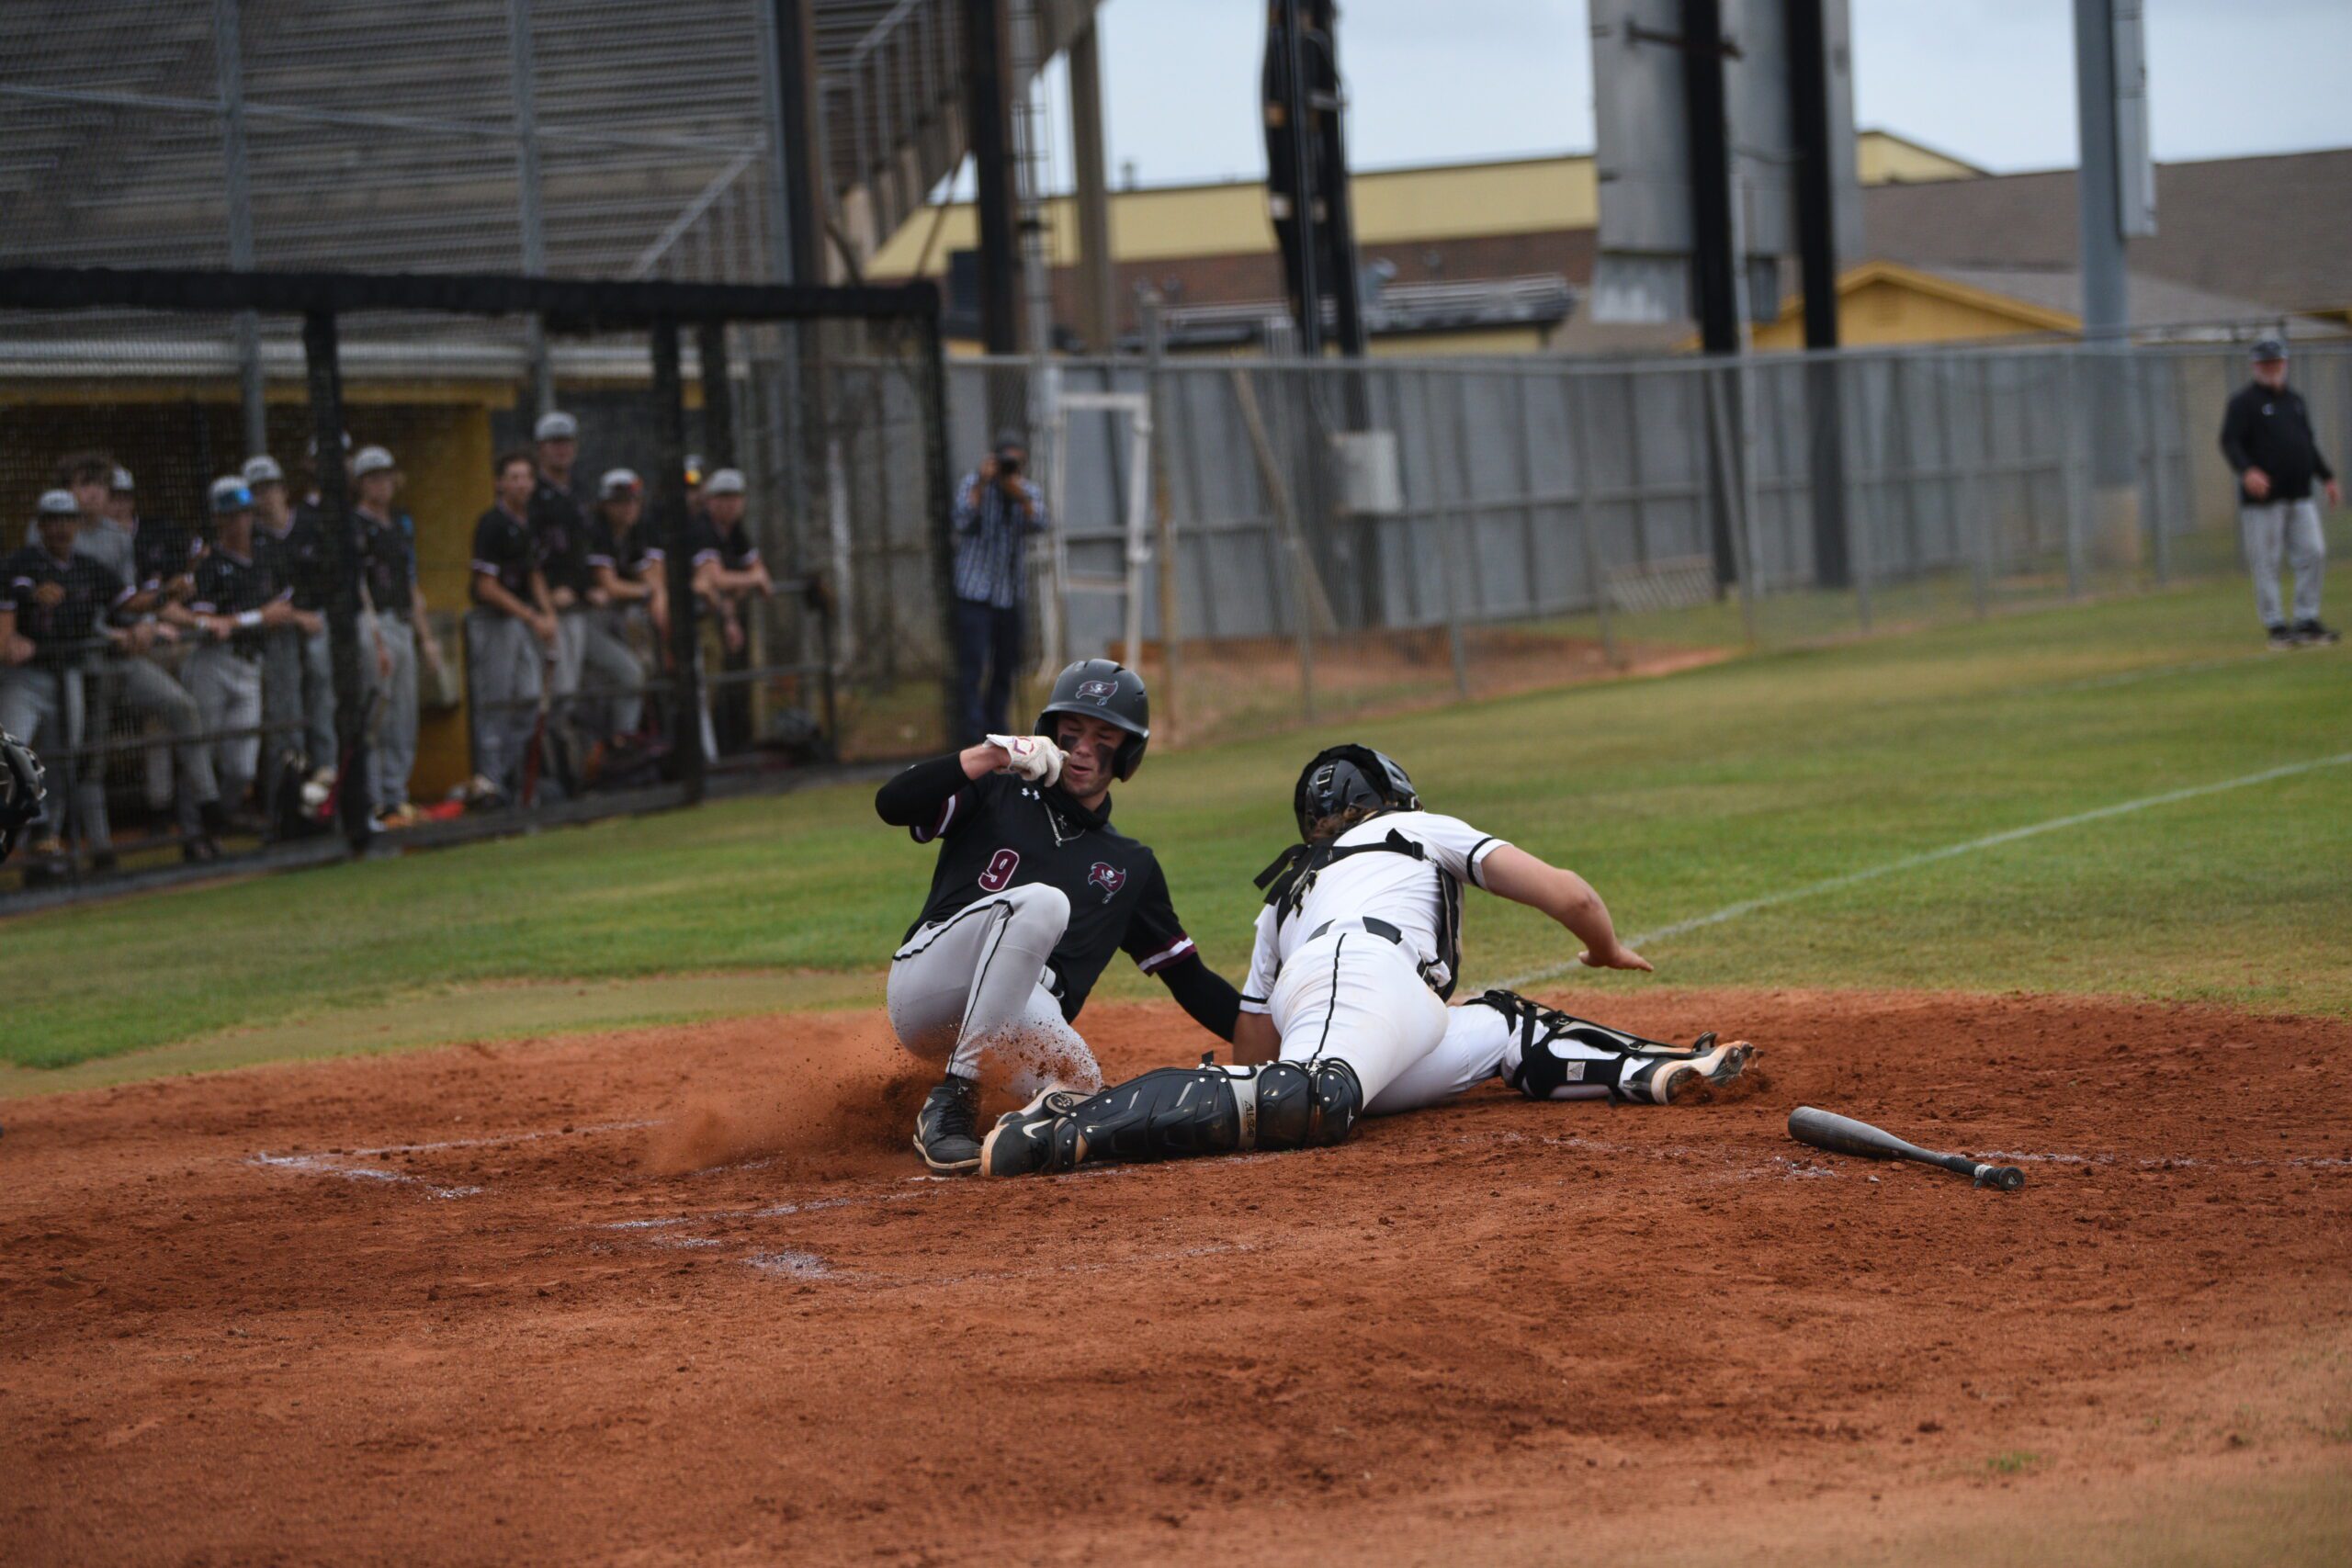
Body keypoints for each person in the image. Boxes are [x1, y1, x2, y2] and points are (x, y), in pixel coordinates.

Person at [979, 744, 1751, 1178]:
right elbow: (1570, 894)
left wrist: (1268, 1071)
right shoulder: (1421, 829)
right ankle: (1070, 1121)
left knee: (1498, 1024)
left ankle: (1657, 1068)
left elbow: (1252, 1052)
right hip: (1364, 973)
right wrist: (1603, 947)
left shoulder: (1283, 897)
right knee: (1316, 1097)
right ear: (1390, 797)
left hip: (1388, 1010)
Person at [875, 658, 1246, 1173]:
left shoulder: (1131, 866)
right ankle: (952, 1105)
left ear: (1129, 752)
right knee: (1044, 903)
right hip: (930, 988)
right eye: (1072, 731)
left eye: (1104, 736)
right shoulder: (996, 788)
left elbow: (1191, 980)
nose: (1083, 748)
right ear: (1048, 732)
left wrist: (1285, 1043)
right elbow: (892, 803)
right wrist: (993, 755)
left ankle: (932, 1112)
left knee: (1082, 1087)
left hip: (1015, 1026)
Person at [51, 457, 224, 861]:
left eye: (100, 485)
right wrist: (115, 633)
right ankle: (99, 848)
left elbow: (127, 600)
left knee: (181, 706)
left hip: (124, 657)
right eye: (85, 484)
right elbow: (69, 611)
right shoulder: (54, 535)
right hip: (82, 662)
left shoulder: (116, 537)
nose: (94, 493)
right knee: (90, 757)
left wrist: (148, 619)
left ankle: (209, 805)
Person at [0, 490, 141, 873]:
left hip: (69, 677)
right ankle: (33, 835)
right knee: (11, 754)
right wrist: (14, 637)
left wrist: (159, 603)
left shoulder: (87, 567)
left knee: (63, 759)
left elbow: (128, 602)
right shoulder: (21, 563)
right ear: (40, 525)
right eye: (53, 520)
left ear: (77, 524)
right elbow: (8, 623)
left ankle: (47, 846)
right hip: (25, 679)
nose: (61, 528)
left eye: (67, 520)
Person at [184, 479, 296, 824]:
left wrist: (252, 619)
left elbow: (283, 606)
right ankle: (193, 832)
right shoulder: (210, 563)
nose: (241, 522)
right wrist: (257, 617)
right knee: (202, 752)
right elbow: (205, 622)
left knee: (242, 768)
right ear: (218, 518)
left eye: (245, 513)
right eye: (232, 515)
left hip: (250, 665)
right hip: (213, 663)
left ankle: (219, 823)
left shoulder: (265, 555)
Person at [2221, 337, 2340, 649]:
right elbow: (2230, 441)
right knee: (2267, 560)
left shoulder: (2295, 400)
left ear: (2284, 363)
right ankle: (2276, 625)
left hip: (2299, 493)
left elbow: (2307, 444)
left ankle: (2306, 619)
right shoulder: (2244, 403)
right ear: (2255, 366)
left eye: (2276, 362)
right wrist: (2247, 470)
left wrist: (2326, 477)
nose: (2271, 368)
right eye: (2265, 363)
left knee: (2314, 552)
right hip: (2264, 499)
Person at [352, 446, 437, 826]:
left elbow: (411, 582)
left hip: (403, 622)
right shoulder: (355, 525)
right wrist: (374, 638)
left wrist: (427, 638)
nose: (381, 483)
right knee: (377, 714)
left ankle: (395, 796)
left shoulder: (401, 523)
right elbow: (359, 587)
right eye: (372, 477)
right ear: (360, 483)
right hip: (375, 624)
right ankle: (372, 801)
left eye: (385, 475)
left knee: (404, 714)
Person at [466, 449, 556, 805]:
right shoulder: (491, 523)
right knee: (496, 704)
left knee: (531, 699)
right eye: (513, 477)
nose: (521, 484)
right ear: (499, 483)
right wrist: (532, 616)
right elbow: (486, 587)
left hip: (518, 622)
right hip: (493, 623)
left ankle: (511, 779)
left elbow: (534, 574)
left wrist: (549, 614)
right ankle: (490, 786)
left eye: (526, 477)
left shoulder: (529, 522)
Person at [948, 431, 1046, 746]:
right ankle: (971, 733)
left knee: (1005, 667)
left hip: (1009, 594)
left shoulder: (1027, 491)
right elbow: (960, 519)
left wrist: (1018, 495)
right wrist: (981, 482)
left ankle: (997, 729)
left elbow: (1040, 523)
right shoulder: (974, 485)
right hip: (974, 592)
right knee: (973, 665)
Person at [246, 453, 333, 794]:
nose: (264, 497)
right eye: (256, 491)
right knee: (287, 716)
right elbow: (262, 603)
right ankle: (290, 792)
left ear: (283, 489)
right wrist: (296, 616)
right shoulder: (252, 541)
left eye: (269, 488)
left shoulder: (311, 524)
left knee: (323, 708)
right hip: (279, 633)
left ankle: (327, 783)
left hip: (320, 623)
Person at [687, 468, 771, 754]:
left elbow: (759, 571)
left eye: (735, 497)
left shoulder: (734, 530)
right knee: (698, 689)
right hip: (687, 621)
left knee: (711, 686)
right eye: (722, 497)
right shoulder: (702, 529)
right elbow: (714, 579)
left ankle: (712, 751)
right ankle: (700, 755)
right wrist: (750, 580)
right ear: (709, 501)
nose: (730, 504)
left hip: (714, 616)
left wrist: (731, 613)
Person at [528, 411, 603, 728]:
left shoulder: (579, 491)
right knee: (555, 690)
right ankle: (546, 753)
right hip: (548, 608)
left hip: (578, 605)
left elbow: (585, 548)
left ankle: (575, 750)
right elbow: (532, 556)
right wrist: (547, 595)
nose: (562, 449)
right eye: (554, 443)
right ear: (541, 448)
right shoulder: (534, 495)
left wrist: (589, 587)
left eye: (566, 442)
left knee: (573, 689)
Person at [582, 468, 664, 738]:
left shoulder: (633, 531)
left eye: (633, 501)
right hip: (584, 620)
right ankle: (620, 741)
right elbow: (610, 585)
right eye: (619, 502)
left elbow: (651, 578)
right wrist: (643, 591)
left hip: (610, 620)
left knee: (632, 675)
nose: (628, 507)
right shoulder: (597, 530)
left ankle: (622, 742)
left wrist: (651, 592)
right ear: (605, 505)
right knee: (628, 674)